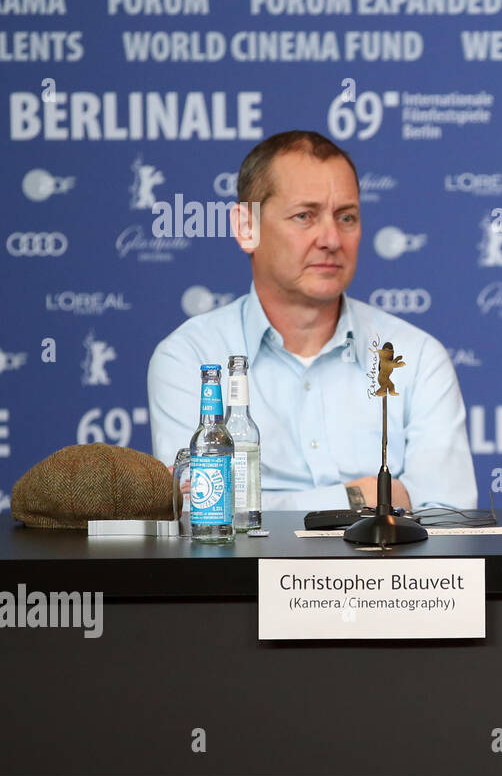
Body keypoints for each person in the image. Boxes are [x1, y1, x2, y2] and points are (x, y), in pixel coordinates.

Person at [148, 131, 476, 512]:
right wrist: (360, 498)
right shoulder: (190, 358)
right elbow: (198, 509)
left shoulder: (415, 356)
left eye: (347, 217)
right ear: (245, 228)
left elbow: (448, 516)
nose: (331, 239)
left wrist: (264, 505)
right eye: (305, 216)